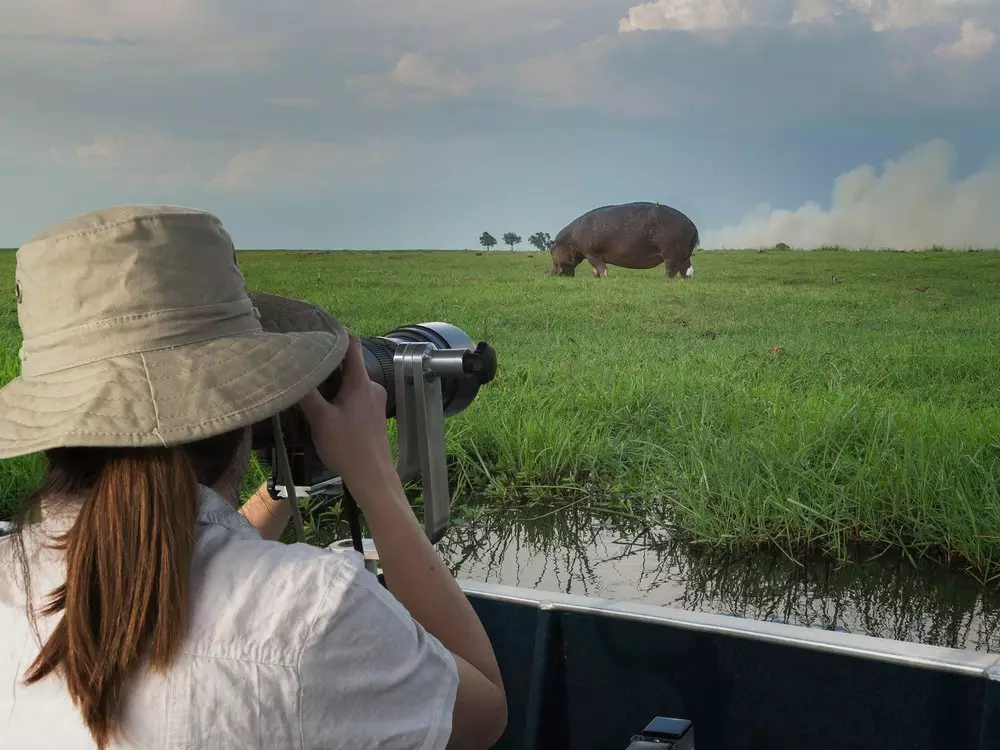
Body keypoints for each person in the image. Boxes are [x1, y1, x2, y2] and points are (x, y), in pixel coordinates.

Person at [0, 205, 508, 749]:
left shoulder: (13, 572)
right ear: (248, 397)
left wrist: (286, 482)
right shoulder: (314, 611)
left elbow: (167, 547)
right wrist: (375, 477)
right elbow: (483, 715)